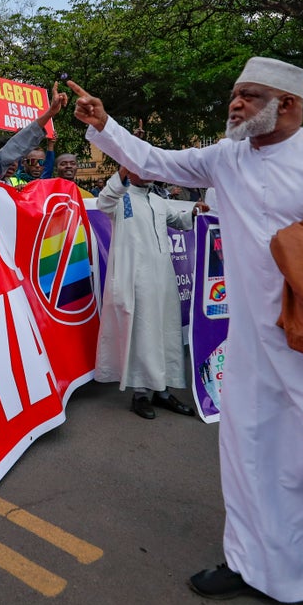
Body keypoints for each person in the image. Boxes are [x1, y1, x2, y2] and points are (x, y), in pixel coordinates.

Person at [67, 57, 303, 605]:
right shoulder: (225, 157)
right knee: (252, 458)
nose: (235, 104)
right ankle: (250, 561)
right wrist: (103, 124)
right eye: (234, 94)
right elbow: (155, 160)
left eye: (249, 95)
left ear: (287, 104)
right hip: (251, 345)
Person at [94, 167, 196, 418]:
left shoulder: (159, 201)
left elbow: (179, 221)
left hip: (164, 279)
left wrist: (194, 213)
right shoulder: (121, 198)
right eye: (141, 166)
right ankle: (140, 395)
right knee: (143, 335)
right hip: (137, 280)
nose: (149, 171)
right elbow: (104, 202)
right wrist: (122, 171)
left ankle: (163, 392)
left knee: (165, 333)